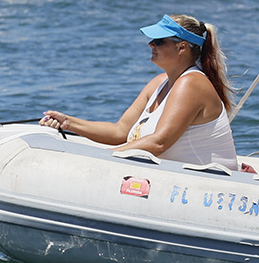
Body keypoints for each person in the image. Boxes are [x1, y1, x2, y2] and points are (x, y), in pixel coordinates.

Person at [40, 14, 237, 168]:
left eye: (159, 41)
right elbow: (119, 131)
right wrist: (68, 123)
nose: (150, 44)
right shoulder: (160, 82)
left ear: (182, 47)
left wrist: (102, 158)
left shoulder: (192, 83)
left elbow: (159, 143)